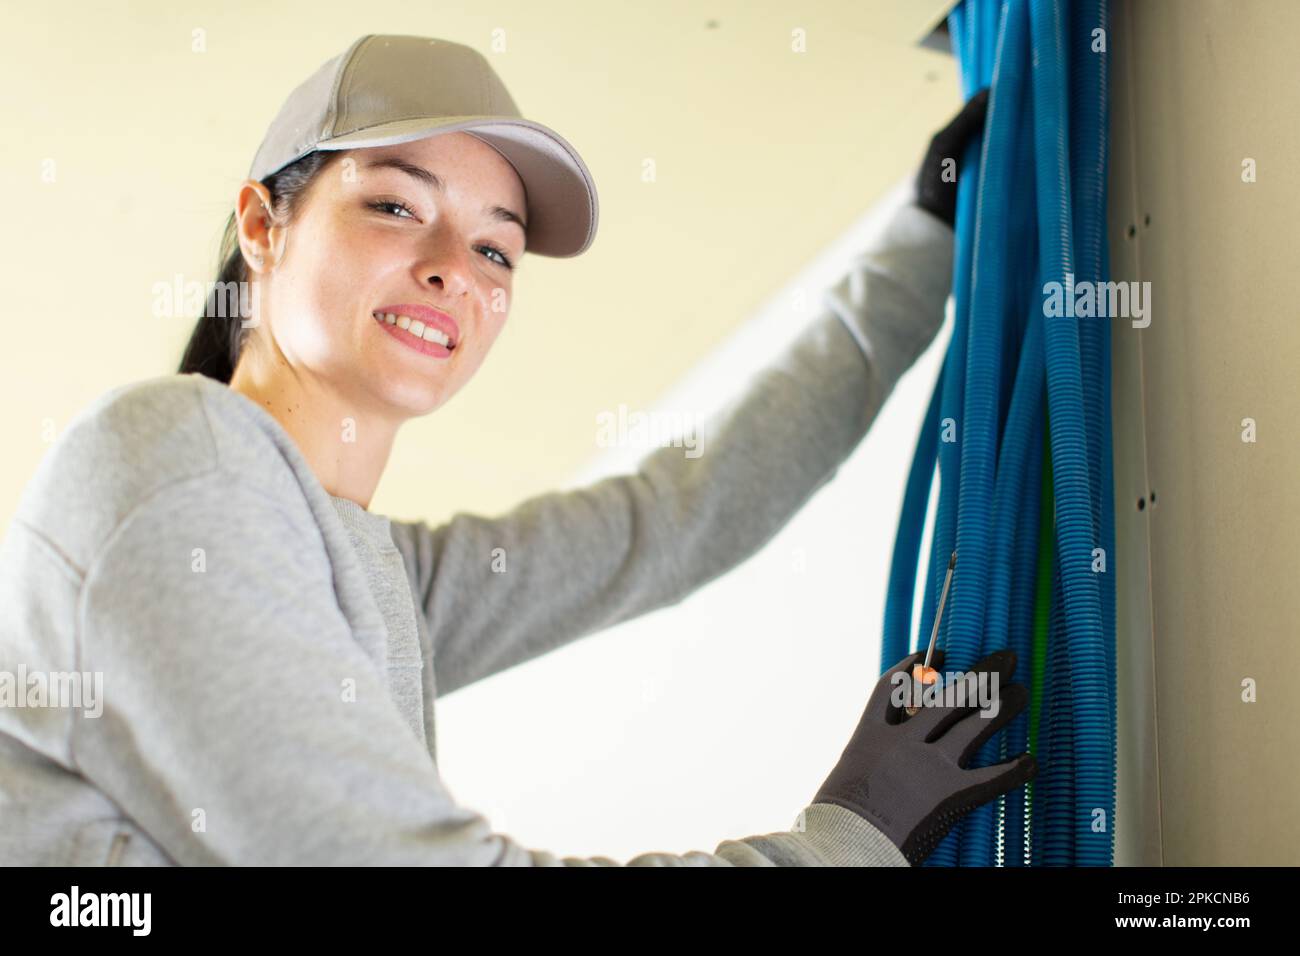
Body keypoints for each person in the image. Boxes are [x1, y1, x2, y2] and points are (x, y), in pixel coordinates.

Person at [0, 35, 1030, 866]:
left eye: (495, 245)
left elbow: (684, 511)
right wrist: (848, 837)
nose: (454, 268)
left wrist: (927, 234)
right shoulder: (171, 461)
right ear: (262, 225)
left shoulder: (367, 572)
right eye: (395, 205)